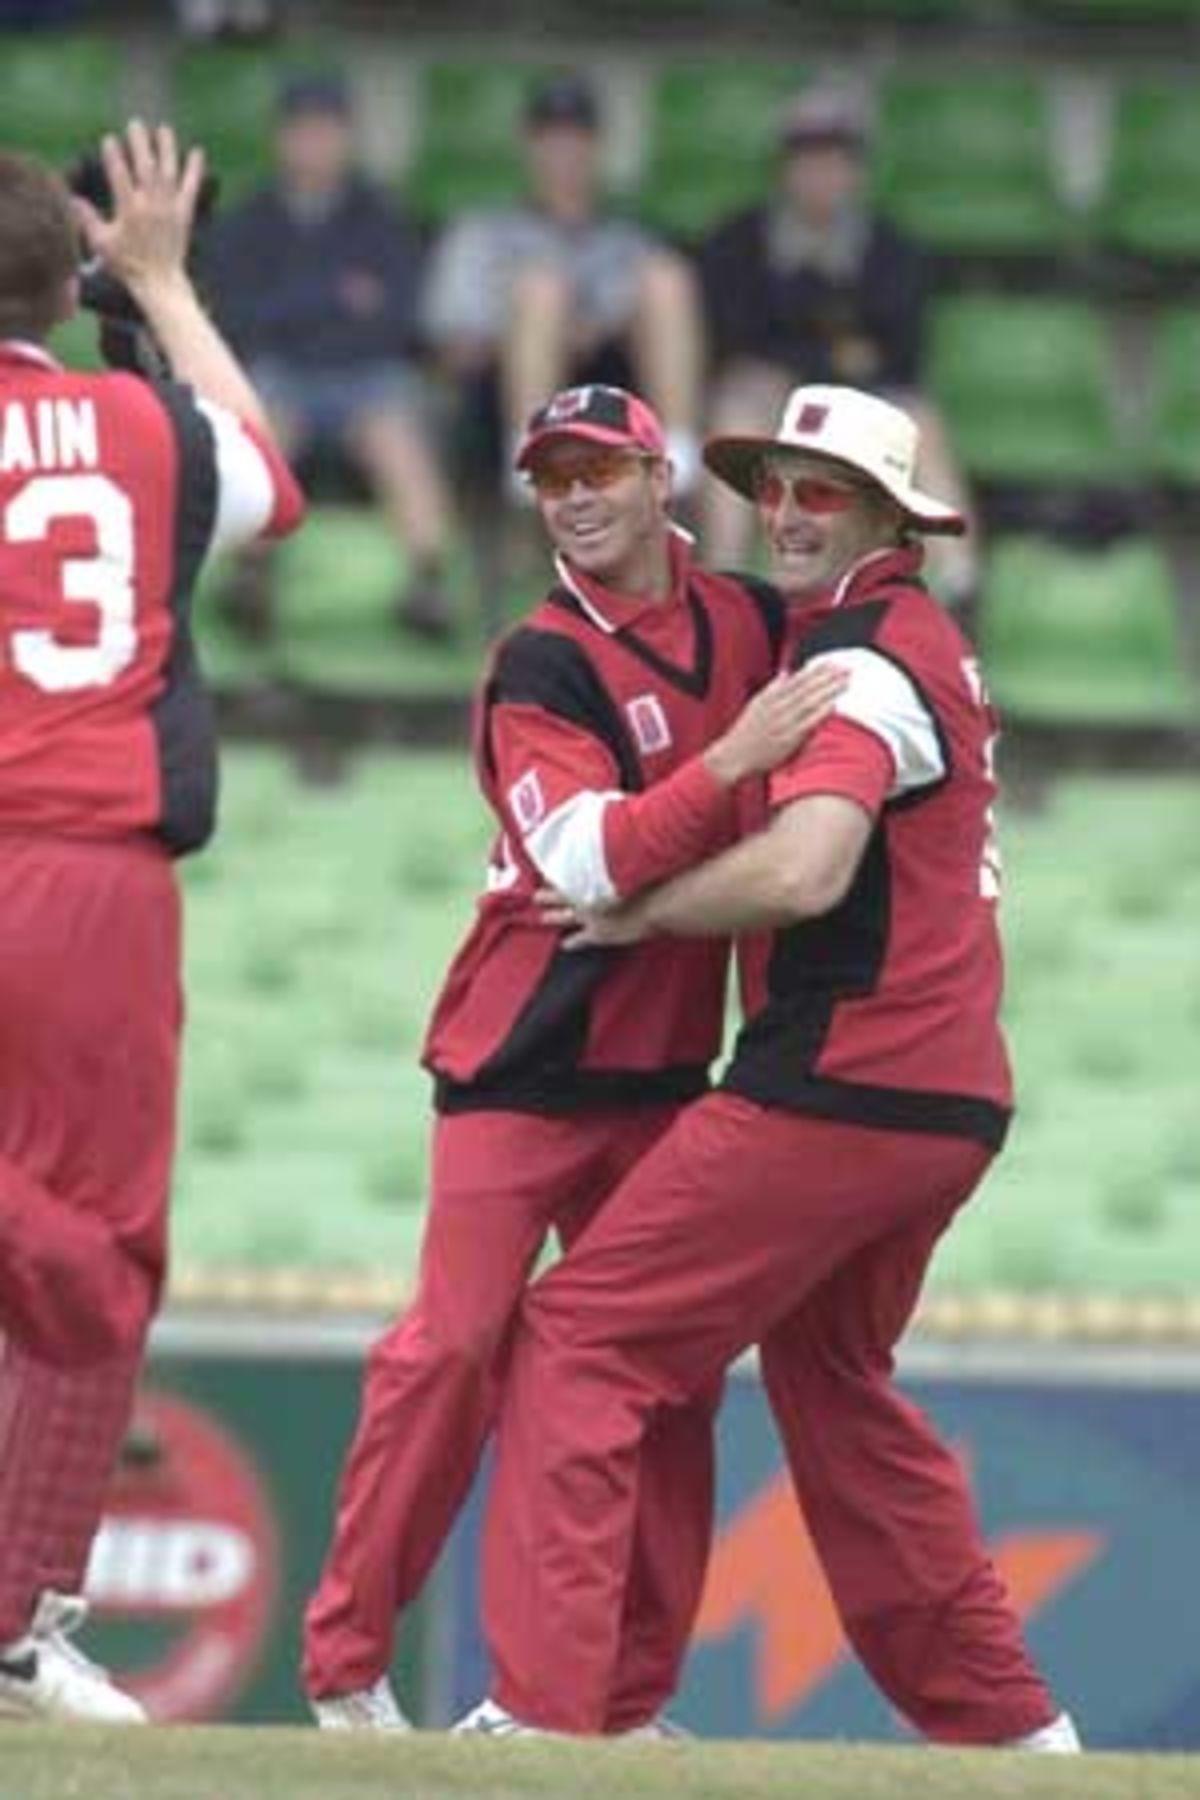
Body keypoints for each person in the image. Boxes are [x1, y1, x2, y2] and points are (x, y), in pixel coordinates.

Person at [466, 384, 1080, 1753]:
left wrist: (642, 910)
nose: (790, 517)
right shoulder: (904, 641)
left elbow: (811, 867)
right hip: (943, 1093)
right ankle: (1017, 1741)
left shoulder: (858, 662)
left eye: (825, 494)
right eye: (779, 491)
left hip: (842, 1081)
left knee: (574, 1338)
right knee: (835, 1388)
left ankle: (556, 1723)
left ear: (889, 519)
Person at [301, 382, 845, 1733]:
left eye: (600, 467)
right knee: (450, 1353)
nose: (578, 495)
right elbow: (586, 860)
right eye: (553, 479)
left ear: (660, 479)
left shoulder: (749, 619)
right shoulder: (538, 660)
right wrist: (735, 762)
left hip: (665, 1077)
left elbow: (869, 655)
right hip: (518, 1060)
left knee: (659, 1386)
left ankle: (623, 1703)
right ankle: (344, 1669)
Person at [0, 122, 303, 1723]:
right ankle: (20, 1616)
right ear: (64, 291)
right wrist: (169, 288)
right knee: (99, 1260)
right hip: (80, 871)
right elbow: (267, 479)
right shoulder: (131, 425)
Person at [697, 83, 977, 608]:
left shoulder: (894, 249)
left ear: (857, 170)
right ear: (784, 168)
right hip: (772, 408)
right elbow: (731, 342)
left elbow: (901, 357)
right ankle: (724, 592)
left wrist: (800, 355)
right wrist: (837, 349)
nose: (821, 174)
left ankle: (959, 592)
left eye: (835, 159)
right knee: (734, 409)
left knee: (923, 422)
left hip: (864, 405)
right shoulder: (737, 240)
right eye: (807, 159)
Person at [203, 71, 457, 640]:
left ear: (347, 137)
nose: (314, 143)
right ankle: (249, 575)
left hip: (365, 373)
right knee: (265, 424)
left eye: (326, 130)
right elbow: (236, 318)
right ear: (281, 138)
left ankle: (429, 579)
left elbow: (399, 319)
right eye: (302, 130)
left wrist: (299, 306)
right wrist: (333, 298)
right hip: (284, 372)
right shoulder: (250, 219)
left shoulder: (383, 213)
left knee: (395, 430)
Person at [422, 72, 705, 507]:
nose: (564, 153)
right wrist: (538, 329)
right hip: (503, 393)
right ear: (529, 146)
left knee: (665, 276)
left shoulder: (626, 237)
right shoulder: (481, 233)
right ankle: (530, 472)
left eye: (576, 138)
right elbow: (451, 350)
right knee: (542, 290)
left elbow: (648, 323)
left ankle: (676, 466)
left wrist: (592, 331)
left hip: (615, 389)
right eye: (551, 139)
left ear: (596, 146)